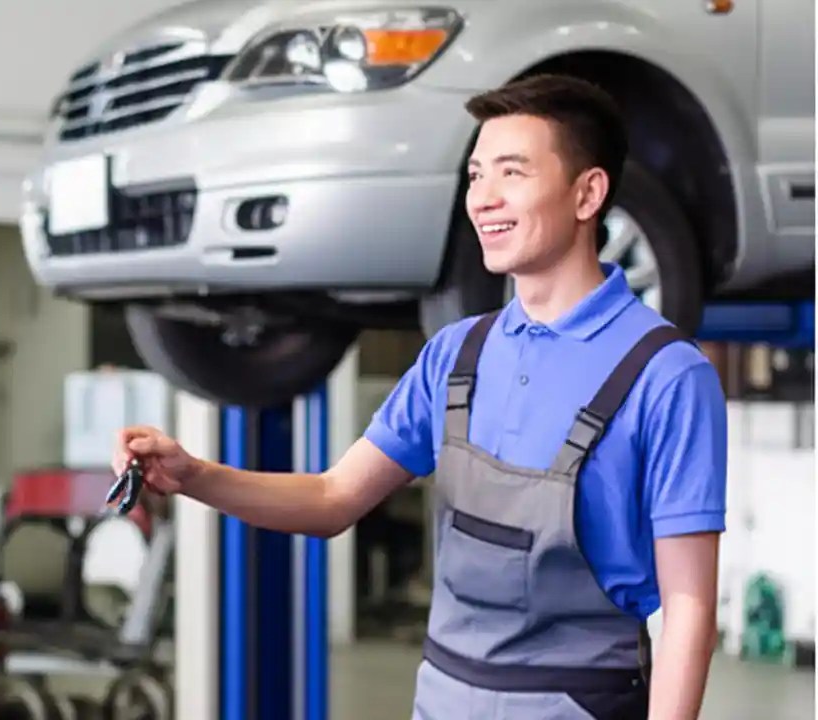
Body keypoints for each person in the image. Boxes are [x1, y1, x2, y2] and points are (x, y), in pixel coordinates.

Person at [114, 74, 726, 719]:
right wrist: (194, 476)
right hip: (442, 698)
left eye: (511, 174)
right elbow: (331, 499)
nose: (483, 199)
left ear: (587, 193)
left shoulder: (666, 375)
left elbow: (690, 610)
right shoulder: (456, 355)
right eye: (475, 176)